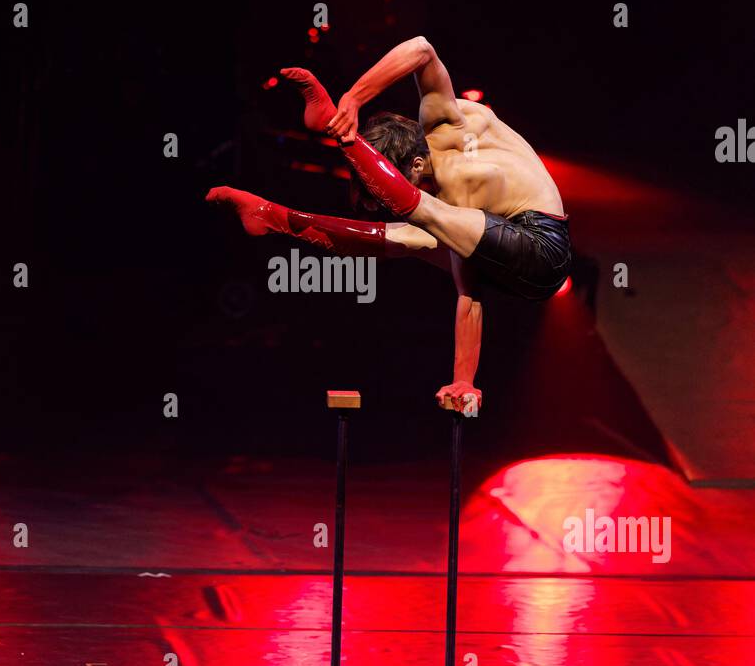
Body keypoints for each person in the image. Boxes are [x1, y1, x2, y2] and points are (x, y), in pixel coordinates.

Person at [208, 37, 571, 414]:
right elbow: (421, 49)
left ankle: (340, 134)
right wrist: (353, 99)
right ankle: (272, 216)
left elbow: (469, 295)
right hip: (503, 235)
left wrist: (464, 378)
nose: (385, 204)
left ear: (415, 167)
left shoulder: (460, 185)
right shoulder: (444, 118)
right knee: (404, 236)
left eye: (385, 191)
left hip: (544, 252)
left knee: (422, 220)